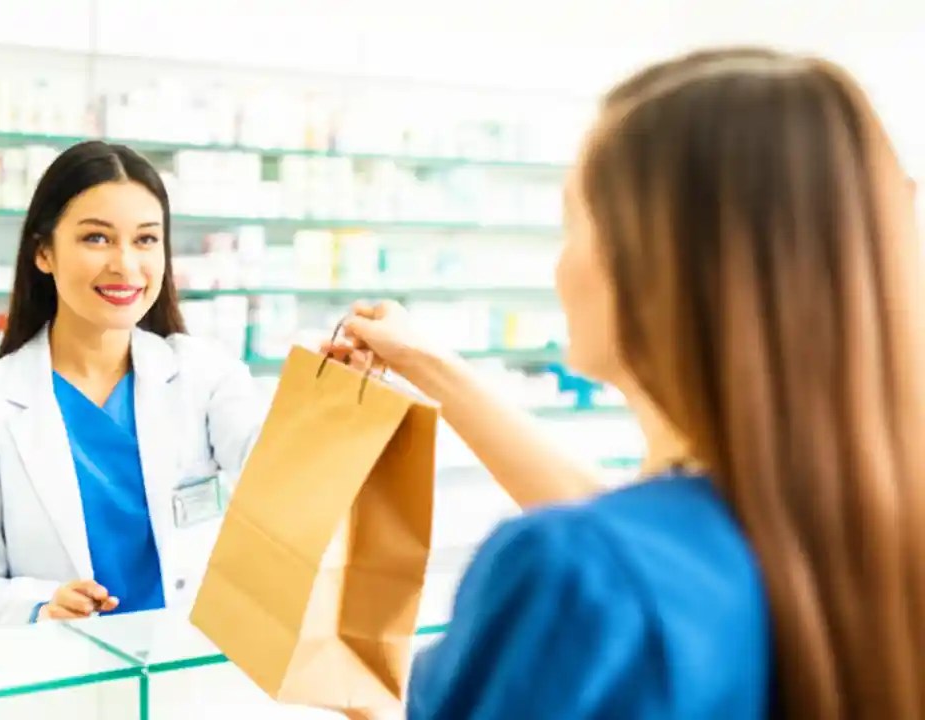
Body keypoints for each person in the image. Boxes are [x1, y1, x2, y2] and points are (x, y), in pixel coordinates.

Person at [328, 48, 925, 719]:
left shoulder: (575, 574)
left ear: (657, 263)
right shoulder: (863, 527)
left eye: (574, 223)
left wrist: (368, 703)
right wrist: (430, 367)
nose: (559, 268)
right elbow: (661, 546)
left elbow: (610, 565)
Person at [0, 141, 264, 631]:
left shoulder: (206, 376)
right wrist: (41, 606)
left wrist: (340, 390)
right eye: (97, 239)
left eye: (146, 240)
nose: (126, 265)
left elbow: (282, 479)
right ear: (43, 252)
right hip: (62, 682)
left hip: (187, 668)